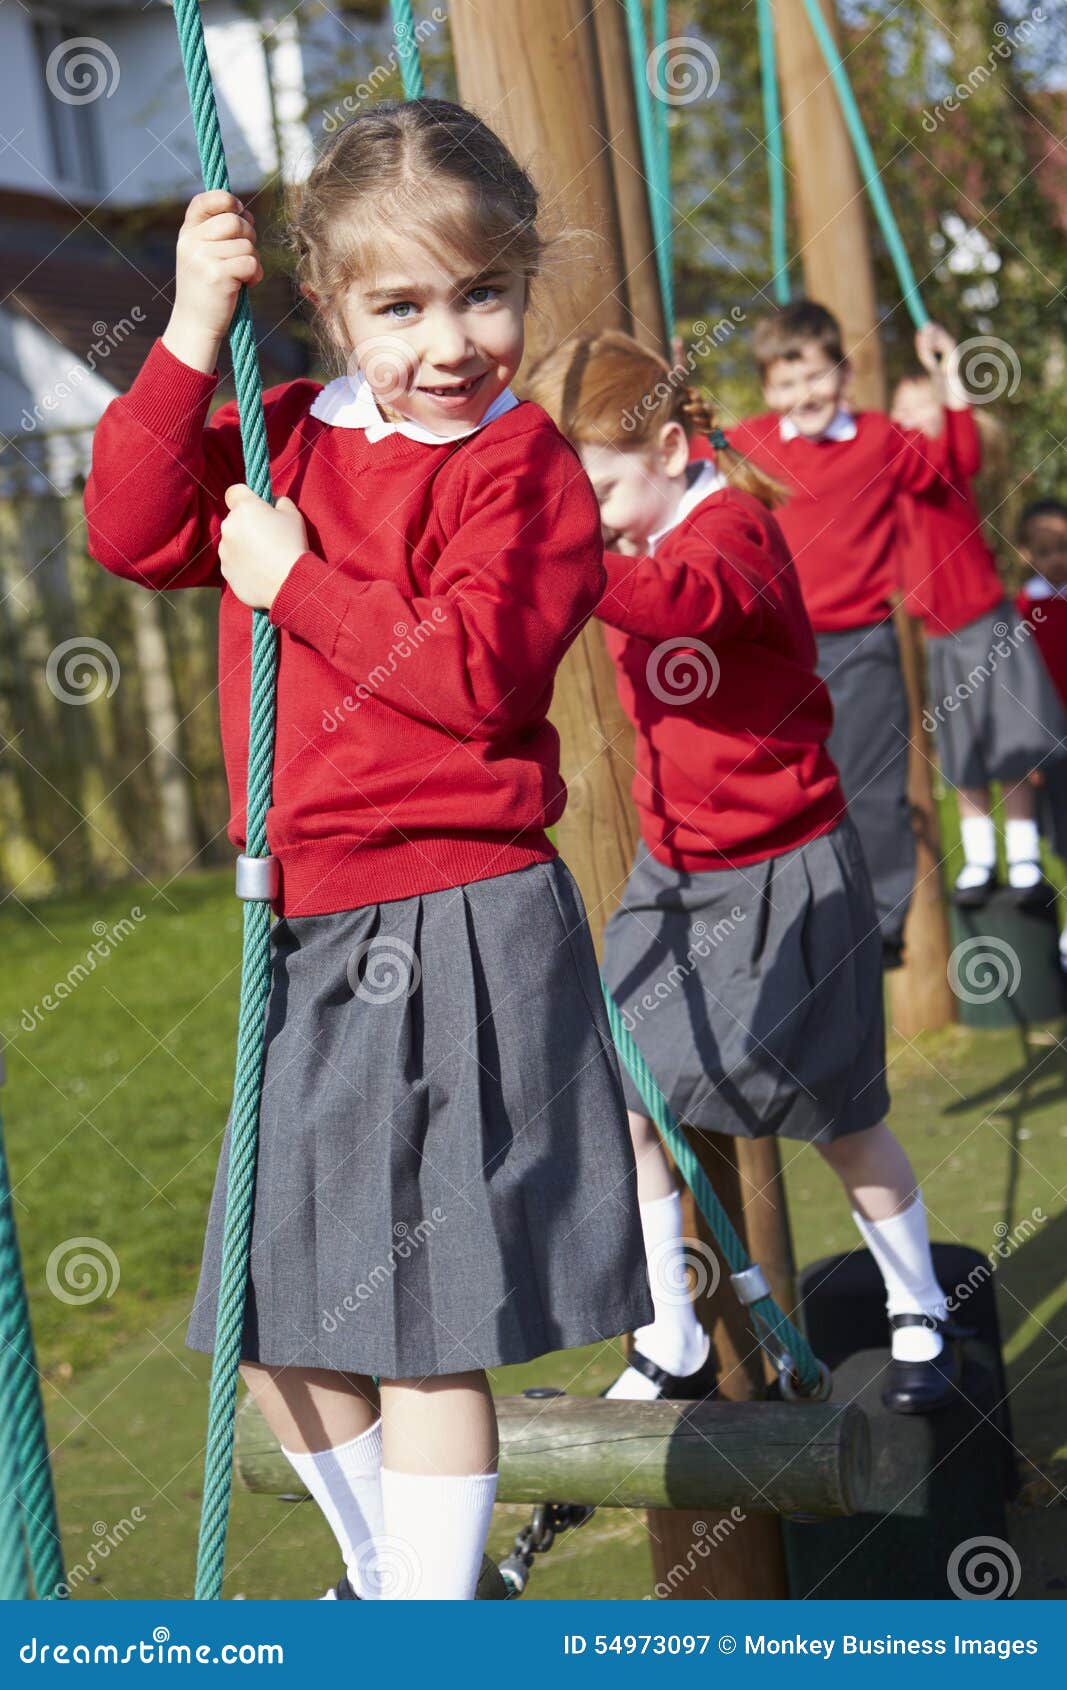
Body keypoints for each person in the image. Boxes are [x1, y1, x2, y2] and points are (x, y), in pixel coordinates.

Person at [83, 99, 652, 1601]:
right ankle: (414, 1593)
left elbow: (473, 671)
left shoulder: (520, 467)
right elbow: (130, 529)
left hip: (459, 912)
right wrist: (193, 330)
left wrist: (296, 584)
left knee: (421, 1324)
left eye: (482, 293)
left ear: (526, 282)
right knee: (270, 1315)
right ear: (328, 309)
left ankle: (423, 1621)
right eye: (399, 305)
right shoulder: (284, 436)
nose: (448, 340)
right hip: (310, 921)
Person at [525, 328, 965, 1417]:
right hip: (676, 876)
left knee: (836, 1115)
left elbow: (688, 605)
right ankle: (669, 1331)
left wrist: (563, 563)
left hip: (786, 873)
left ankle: (919, 1308)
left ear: (671, 448)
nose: (582, 513)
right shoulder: (635, 535)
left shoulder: (731, 529)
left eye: (597, 489)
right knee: (619, 1097)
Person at [722, 300, 978, 967]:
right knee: (779, 783)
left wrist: (948, 378)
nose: (800, 395)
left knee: (871, 785)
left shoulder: (878, 438)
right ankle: (791, 919)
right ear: (766, 389)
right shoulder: (749, 444)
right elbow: (681, 462)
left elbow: (954, 464)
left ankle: (881, 925)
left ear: (843, 373)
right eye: (783, 383)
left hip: (862, 641)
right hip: (783, 649)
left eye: (812, 377)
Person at [890, 376, 1065, 907]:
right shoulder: (892, 480)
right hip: (940, 637)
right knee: (962, 752)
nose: (918, 417)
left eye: (929, 408)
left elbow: (965, 447)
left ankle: (1025, 857)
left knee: (1010, 749)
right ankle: (979, 858)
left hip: (986, 625)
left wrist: (950, 381)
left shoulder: (949, 470)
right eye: (906, 409)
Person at [1015, 498, 1067, 961]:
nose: (1057, 559)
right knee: (1062, 834)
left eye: (1064, 547)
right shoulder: (1021, 610)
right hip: (1050, 741)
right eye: (1045, 549)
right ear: (1026, 553)